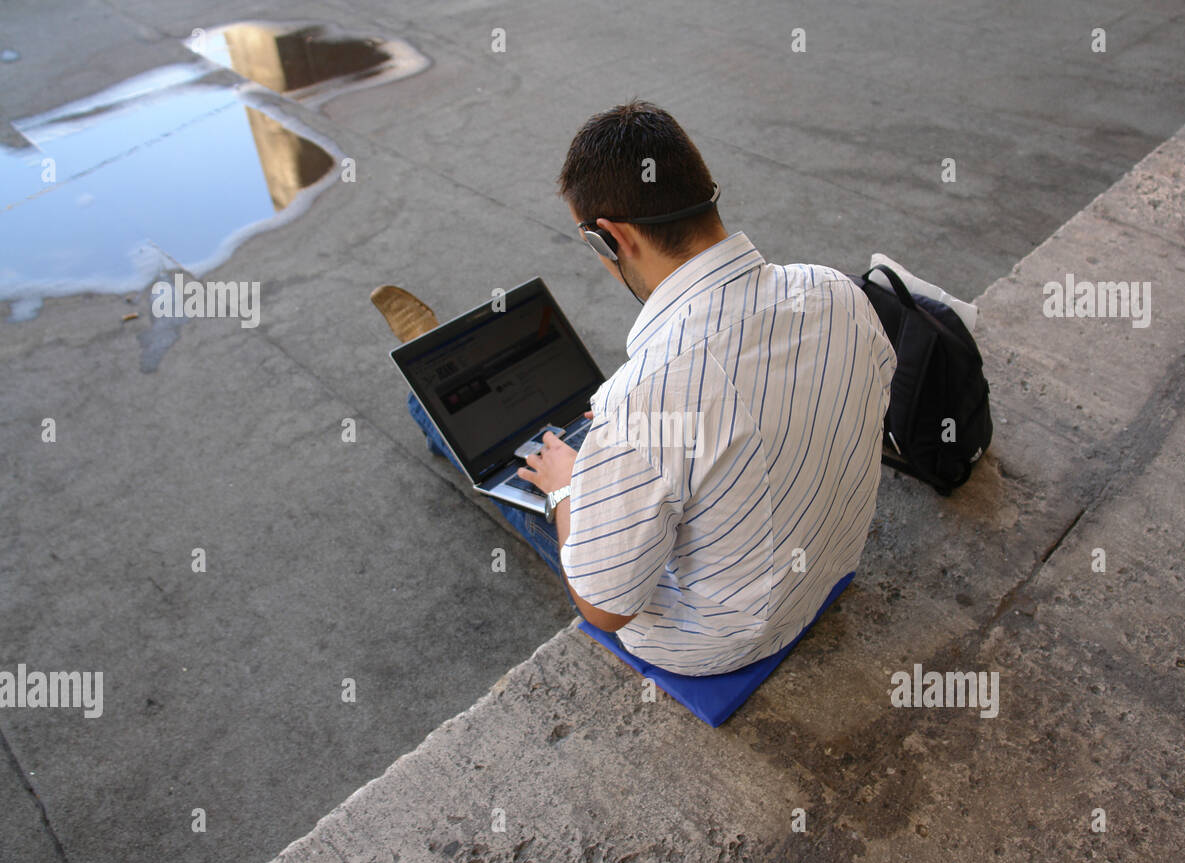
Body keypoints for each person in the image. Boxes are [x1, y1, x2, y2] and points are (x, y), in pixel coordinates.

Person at [378, 100, 896, 677]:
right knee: (623, 457)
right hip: (827, 569)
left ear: (613, 238)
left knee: (528, 465)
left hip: (721, 643)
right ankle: (460, 379)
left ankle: (437, 385)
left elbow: (606, 610)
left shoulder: (643, 396)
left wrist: (568, 489)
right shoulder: (838, 291)